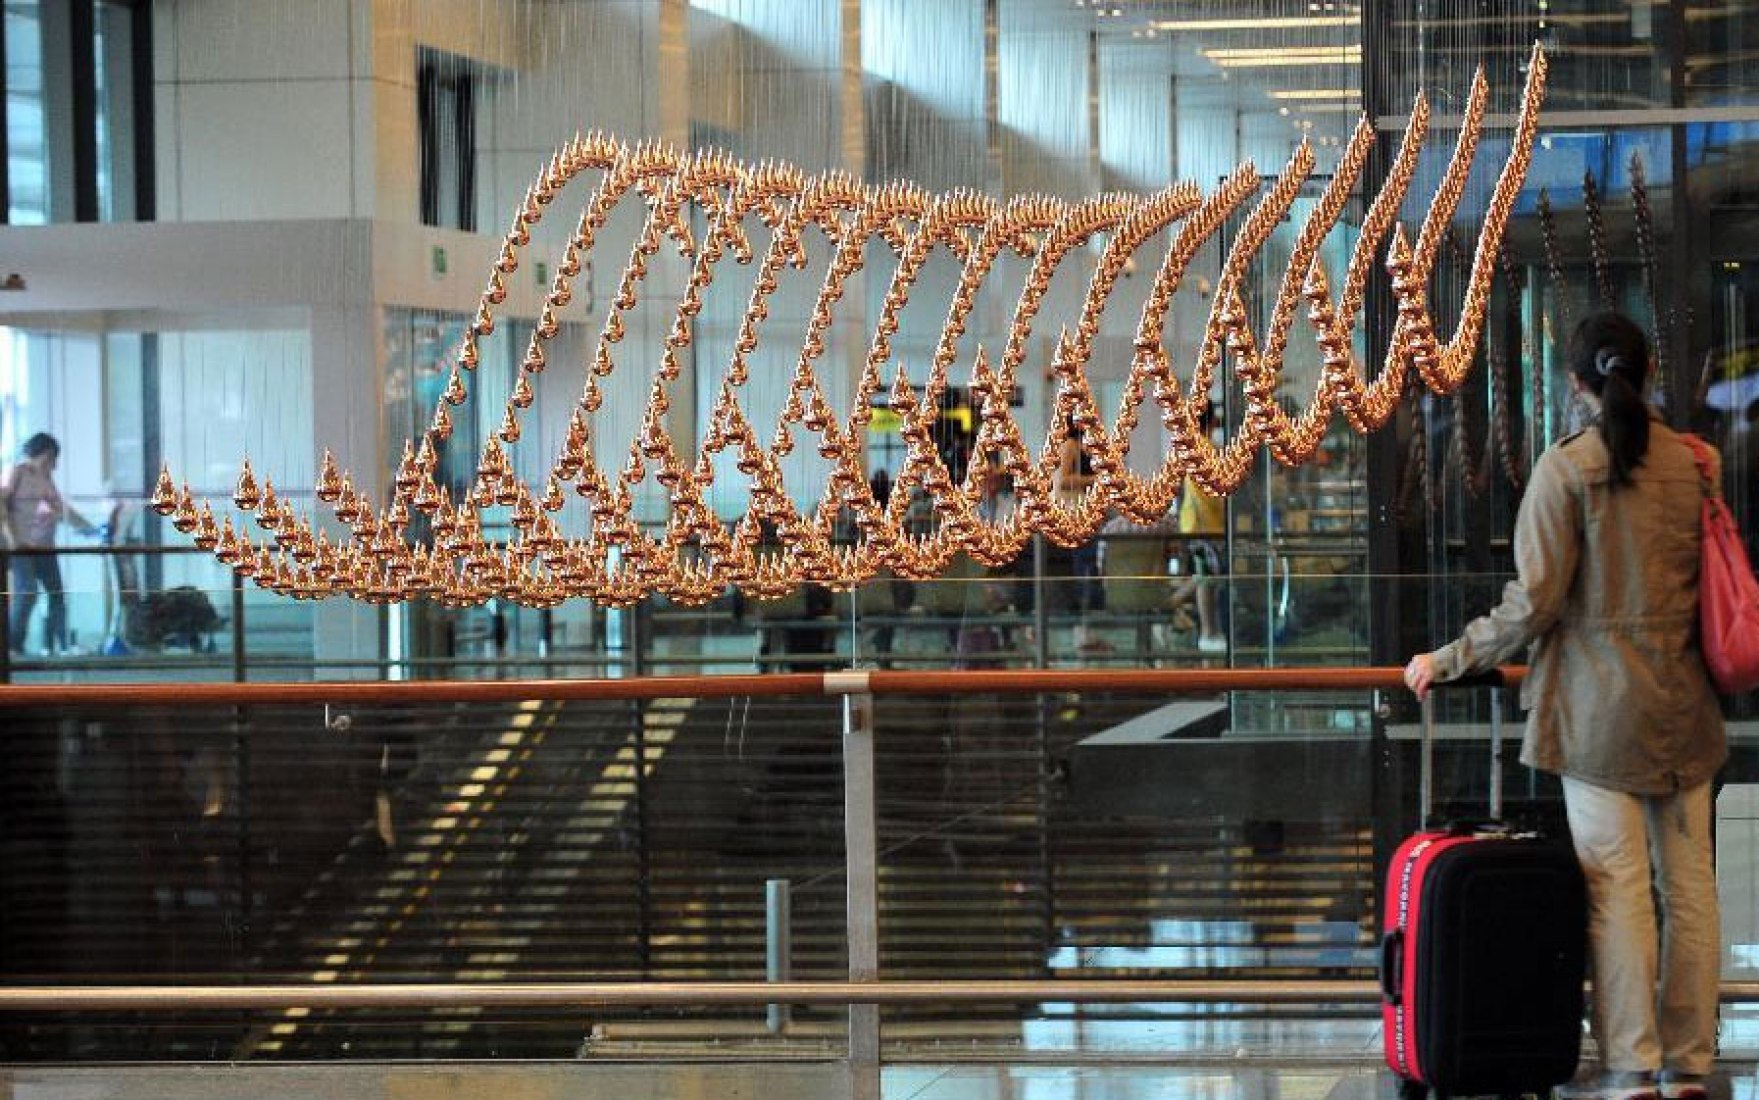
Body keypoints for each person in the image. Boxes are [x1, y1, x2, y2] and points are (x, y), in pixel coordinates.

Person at [1404, 313, 1725, 1100]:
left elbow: (1533, 604)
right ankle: (1689, 1063)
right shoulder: (1697, 462)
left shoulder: (1566, 468)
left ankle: (1630, 1066)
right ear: (1648, 375)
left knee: (1617, 890)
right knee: (1689, 890)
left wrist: (1446, 660)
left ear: (1574, 382)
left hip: (1596, 717)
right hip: (1685, 710)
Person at [2, 433, 97, 656]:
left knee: (56, 593)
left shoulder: (46, 479)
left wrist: (90, 529)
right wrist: (10, 538)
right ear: (43, 454)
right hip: (20, 545)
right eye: (52, 458)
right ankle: (13, 645)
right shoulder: (16, 472)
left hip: (43, 545)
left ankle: (63, 644)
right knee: (27, 591)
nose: (53, 465)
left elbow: (61, 509)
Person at [1177, 401, 1227, 654]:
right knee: (1206, 577)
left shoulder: (1192, 447)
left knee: (1206, 575)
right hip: (1205, 525)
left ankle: (1206, 629)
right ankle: (1206, 631)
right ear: (1213, 421)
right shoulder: (1206, 449)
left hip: (1195, 524)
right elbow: (1216, 492)